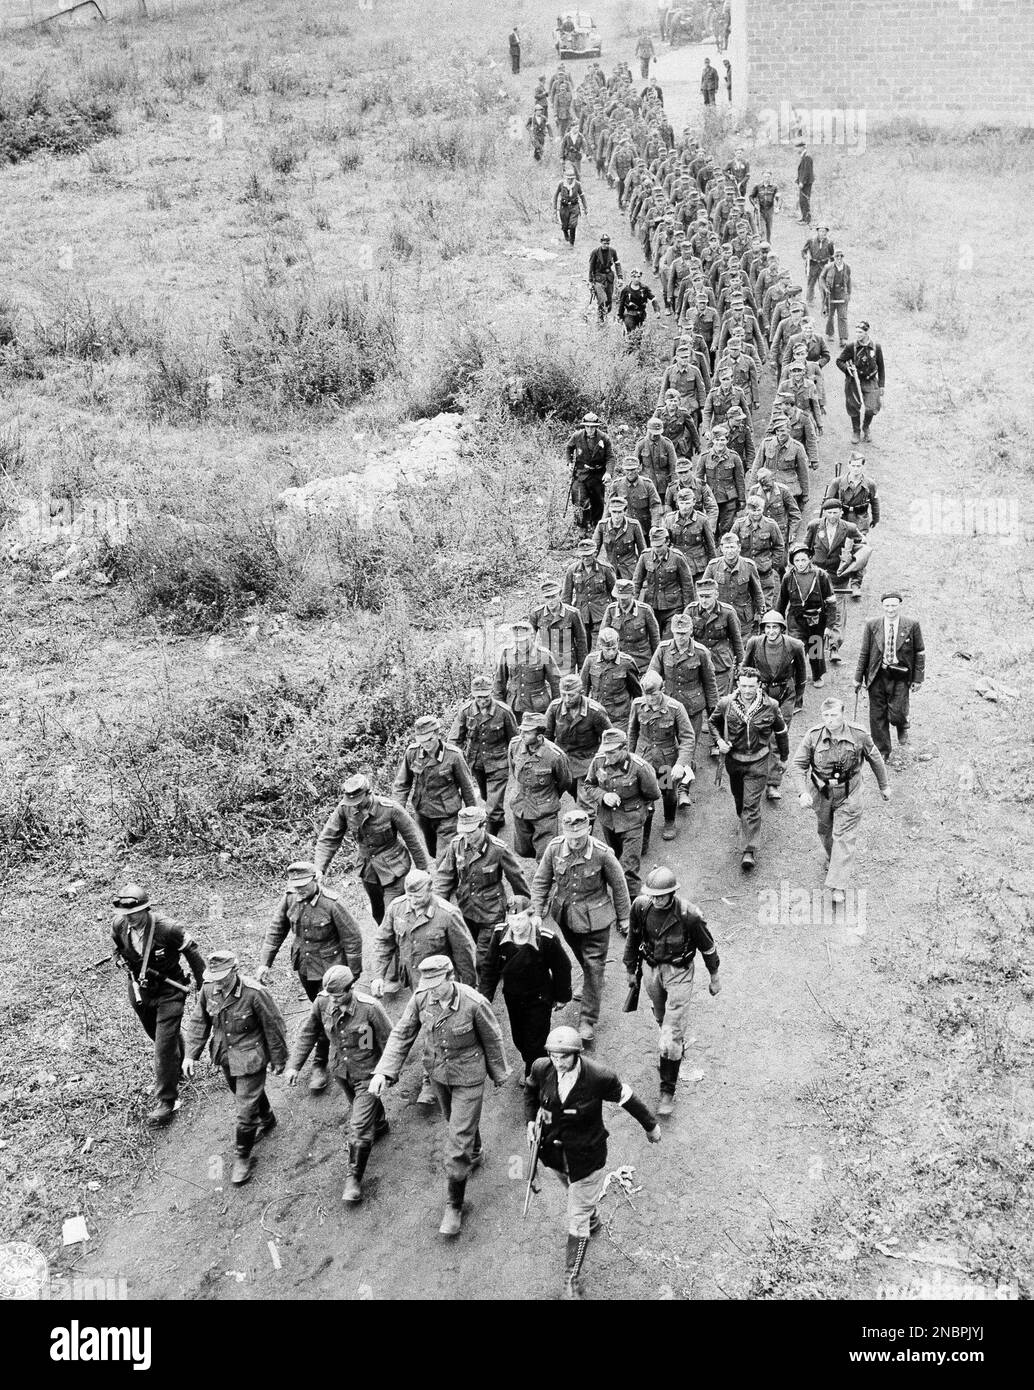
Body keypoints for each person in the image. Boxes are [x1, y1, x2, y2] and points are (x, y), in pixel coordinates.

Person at [370, 956, 509, 1236]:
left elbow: (493, 1039)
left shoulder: (473, 1002)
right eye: (428, 985)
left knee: (457, 1142)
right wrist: (383, 1072)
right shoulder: (422, 999)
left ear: (451, 976)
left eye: (437, 984)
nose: (433, 990)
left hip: (469, 1076)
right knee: (454, 1122)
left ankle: (454, 1205)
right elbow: (402, 1033)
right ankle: (477, 1149)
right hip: (438, 1075)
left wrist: (499, 1074)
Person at [525, 1025, 660, 1299]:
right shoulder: (542, 1068)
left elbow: (627, 1099)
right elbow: (529, 1091)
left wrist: (650, 1125)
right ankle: (593, 1215)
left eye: (564, 1056)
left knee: (576, 1221)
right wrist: (529, 1120)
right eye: (553, 1055)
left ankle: (570, 1281)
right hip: (553, 1154)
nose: (558, 1062)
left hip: (588, 1158)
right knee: (572, 1193)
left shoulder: (599, 1077)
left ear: (575, 1054)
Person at [285, 966, 392, 1204]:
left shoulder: (370, 1009)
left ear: (351, 989)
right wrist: (294, 1065)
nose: (333, 1000)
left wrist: (385, 1074)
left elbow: (390, 1042)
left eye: (338, 996)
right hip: (342, 1071)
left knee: (359, 1125)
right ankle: (381, 1123)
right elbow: (308, 1033)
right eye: (330, 995)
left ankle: (353, 1178)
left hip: (367, 1072)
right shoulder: (322, 1003)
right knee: (361, 1107)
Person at [371, 865, 477, 1104]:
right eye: (409, 895)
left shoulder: (447, 914)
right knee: (418, 1025)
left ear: (430, 890)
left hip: (442, 985)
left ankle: (430, 1080)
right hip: (414, 981)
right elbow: (383, 941)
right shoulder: (397, 908)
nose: (413, 901)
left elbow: (465, 954)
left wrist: (469, 988)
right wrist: (378, 974)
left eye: (418, 896)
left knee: (434, 1028)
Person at [183, 950, 288, 1186]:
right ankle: (267, 1118)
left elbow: (274, 1026)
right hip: (225, 1056)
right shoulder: (209, 989)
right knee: (243, 1094)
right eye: (214, 976)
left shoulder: (254, 993)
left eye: (222, 976)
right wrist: (190, 1054)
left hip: (251, 1056)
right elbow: (199, 1020)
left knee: (244, 1108)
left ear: (235, 970)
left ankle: (242, 1157)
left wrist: (279, 1059)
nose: (218, 981)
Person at [258, 860, 363, 1093]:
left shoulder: (332, 904)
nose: (300, 891)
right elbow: (276, 929)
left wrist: (352, 975)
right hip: (305, 967)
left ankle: (326, 1060)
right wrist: (266, 962)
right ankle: (325, 1055)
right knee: (320, 1011)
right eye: (296, 887)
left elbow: (353, 938)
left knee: (330, 1010)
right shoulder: (289, 899)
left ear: (316, 880)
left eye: (304, 886)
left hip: (331, 968)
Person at [624, 867, 720, 1115]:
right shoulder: (641, 907)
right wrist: (629, 969)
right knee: (660, 1016)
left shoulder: (689, 915)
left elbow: (708, 948)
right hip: (651, 970)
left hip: (679, 973)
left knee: (670, 1033)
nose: (656, 900)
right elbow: (633, 938)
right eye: (653, 895)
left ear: (673, 893)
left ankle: (666, 1092)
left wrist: (714, 976)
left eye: (662, 896)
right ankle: (673, 1043)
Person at [531, 807, 631, 1044]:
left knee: (594, 964)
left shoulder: (602, 853)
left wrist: (624, 917)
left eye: (579, 837)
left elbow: (619, 885)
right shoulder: (555, 847)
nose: (575, 842)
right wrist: (536, 912)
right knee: (582, 958)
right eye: (570, 837)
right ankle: (591, 980)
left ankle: (587, 1019)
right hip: (565, 916)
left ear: (588, 829)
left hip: (597, 918)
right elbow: (541, 880)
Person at [110, 883, 204, 1127]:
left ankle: (166, 1101)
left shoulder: (167, 928)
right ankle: (180, 1065)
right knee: (158, 1035)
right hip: (140, 990)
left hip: (170, 990)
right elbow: (117, 946)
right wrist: (118, 957)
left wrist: (203, 984)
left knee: (162, 1046)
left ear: (146, 909)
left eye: (133, 913)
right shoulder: (119, 924)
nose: (129, 919)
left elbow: (192, 951)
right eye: (124, 914)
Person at [792, 697, 890, 905]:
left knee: (843, 836)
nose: (830, 719)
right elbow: (798, 765)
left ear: (843, 713)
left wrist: (884, 786)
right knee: (826, 832)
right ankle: (832, 859)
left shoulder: (859, 734)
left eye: (834, 715)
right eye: (826, 715)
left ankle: (838, 886)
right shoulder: (813, 736)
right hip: (822, 792)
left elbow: (875, 759)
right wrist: (802, 793)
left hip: (850, 792)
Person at [314, 773, 429, 928]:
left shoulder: (390, 809)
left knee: (393, 914)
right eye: (352, 801)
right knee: (379, 914)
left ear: (369, 793)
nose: (355, 805)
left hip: (395, 869)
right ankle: (392, 943)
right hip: (369, 872)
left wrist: (423, 871)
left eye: (358, 801)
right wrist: (319, 868)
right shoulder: (344, 809)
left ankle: (402, 947)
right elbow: (329, 838)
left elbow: (414, 840)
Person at [479, 896, 572, 1083]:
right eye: (511, 919)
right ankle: (531, 1061)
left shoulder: (546, 939)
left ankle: (535, 1072)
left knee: (535, 1039)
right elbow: (489, 967)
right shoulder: (499, 935)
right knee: (519, 1038)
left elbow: (562, 967)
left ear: (530, 917)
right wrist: (484, 997)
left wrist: (562, 996)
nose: (515, 925)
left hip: (539, 997)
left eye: (520, 919)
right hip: (513, 996)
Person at [708, 665, 789, 870]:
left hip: (759, 762)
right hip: (734, 762)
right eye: (743, 685)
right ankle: (744, 822)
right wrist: (719, 742)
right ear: (738, 684)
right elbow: (712, 723)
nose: (747, 690)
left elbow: (781, 732)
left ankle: (749, 850)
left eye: (751, 686)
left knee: (751, 805)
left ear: (759, 685)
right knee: (739, 799)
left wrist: (784, 757)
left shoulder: (771, 705)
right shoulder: (726, 704)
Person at [435, 804, 531, 976]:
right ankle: (500, 962)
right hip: (467, 908)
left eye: (471, 831)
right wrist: (437, 905)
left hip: (492, 910)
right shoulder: (457, 845)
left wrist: (522, 911)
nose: (466, 836)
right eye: (463, 831)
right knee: (486, 946)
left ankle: (486, 986)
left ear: (483, 826)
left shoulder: (498, 849)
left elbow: (518, 881)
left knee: (482, 959)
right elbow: (444, 876)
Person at [579, 727, 660, 901]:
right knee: (614, 860)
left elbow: (653, 794)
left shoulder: (640, 767)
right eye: (605, 751)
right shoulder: (599, 761)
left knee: (628, 868)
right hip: (608, 821)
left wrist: (639, 810)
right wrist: (603, 796)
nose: (607, 756)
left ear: (625, 748)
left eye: (612, 752)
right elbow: (588, 785)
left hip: (632, 821)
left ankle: (631, 906)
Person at [392, 714, 478, 861]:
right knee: (432, 851)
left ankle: (451, 878)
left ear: (438, 734)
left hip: (448, 815)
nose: (426, 744)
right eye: (421, 740)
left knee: (444, 858)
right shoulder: (412, 753)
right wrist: (396, 812)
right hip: (423, 814)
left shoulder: (454, 756)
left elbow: (467, 788)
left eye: (429, 739)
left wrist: (474, 817)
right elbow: (402, 785)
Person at [854, 592, 925, 763]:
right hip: (878, 673)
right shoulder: (872, 625)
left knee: (897, 712)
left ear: (899, 605)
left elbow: (919, 652)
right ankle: (883, 750)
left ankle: (901, 724)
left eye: (894, 605)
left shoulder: (911, 624)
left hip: (900, 674)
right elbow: (864, 652)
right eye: (887, 606)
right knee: (877, 715)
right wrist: (857, 678)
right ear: (882, 606)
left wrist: (918, 678)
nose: (890, 609)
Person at [743, 611, 807, 799]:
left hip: (785, 694)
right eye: (768, 627)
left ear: (781, 628)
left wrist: (798, 697)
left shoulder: (795, 645)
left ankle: (772, 783)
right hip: (761, 694)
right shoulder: (754, 643)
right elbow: (745, 669)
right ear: (763, 629)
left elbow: (802, 673)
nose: (771, 631)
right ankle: (755, 774)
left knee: (778, 737)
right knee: (758, 733)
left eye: (775, 627)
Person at [449, 676, 518, 837]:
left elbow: (515, 740)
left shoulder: (504, 712)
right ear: (474, 695)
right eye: (479, 697)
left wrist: (516, 764)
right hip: (476, 762)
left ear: (491, 694)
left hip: (499, 762)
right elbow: (455, 738)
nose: (482, 700)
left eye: (486, 696)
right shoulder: (466, 712)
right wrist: (451, 760)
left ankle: (490, 836)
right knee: (487, 796)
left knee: (492, 804)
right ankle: (498, 817)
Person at [804, 497, 870, 663]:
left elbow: (863, 547)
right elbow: (806, 548)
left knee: (837, 612)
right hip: (817, 576)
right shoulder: (814, 526)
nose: (832, 516)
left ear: (841, 512)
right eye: (829, 512)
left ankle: (834, 647)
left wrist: (851, 562)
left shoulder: (849, 528)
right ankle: (815, 651)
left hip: (838, 576)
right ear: (824, 513)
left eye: (835, 512)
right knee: (815, 611)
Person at [507, 711, 573, 860]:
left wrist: (549, 795)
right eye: (522, 730)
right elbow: (513, 770)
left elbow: (565, 781)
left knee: (545, 855)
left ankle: (546, 879)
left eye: (527, 732)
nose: (522, 734)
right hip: (520, 805)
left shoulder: (555, 755)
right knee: (523, 850)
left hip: (544, 810)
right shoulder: (515, 745)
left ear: (539, 736)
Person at [776, 542, 836, 685]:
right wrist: (778, 622)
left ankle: (817, 675)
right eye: (797, 560)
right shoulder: (788, 577)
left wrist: (829, 625)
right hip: (796, 619)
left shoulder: (821, 575)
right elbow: (782, 601)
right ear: (792, 562)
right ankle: (796, 675)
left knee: (815, 649)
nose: (800, 563)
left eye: (803, 560)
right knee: (796, 647)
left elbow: (831, 602)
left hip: (816, 619)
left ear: (809, 559)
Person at [544, 673, 611, 798]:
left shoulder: (595, 711)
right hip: (562, 761)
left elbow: (609, 739)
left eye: (571, 695)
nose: (567, 699)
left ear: (581, 692)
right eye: (563, 695)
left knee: (586, 802)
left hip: (586, 762)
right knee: (548, 797)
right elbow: (546, 738)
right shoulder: (554, 708)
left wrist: (601, 764)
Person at [494, 619, 562, 719]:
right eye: (517, 641)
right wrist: (499, 706)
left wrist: (556, 708)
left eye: (524, 641)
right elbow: (499, 682)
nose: (520, 644)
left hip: (538, 708)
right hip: (514, 706)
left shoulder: (543, 654)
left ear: (531, 637)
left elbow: (556, 682)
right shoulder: (507, 653)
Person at [579, 625, 642, 727]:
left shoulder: (627, 662)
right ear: (600, 646)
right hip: (597, 714)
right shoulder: (591, 660)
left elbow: (637, 693)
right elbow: (583, 690)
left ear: (618, 644)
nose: (611, 652)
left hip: (620, 718)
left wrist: (637, 717)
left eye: (614, 648)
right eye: (607, 649)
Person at [563, 538, 617, 651]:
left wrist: (616, 615)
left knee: (600, 645)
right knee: (583, 646)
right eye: (583, 556)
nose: (585, 559)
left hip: (601, 613)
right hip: (582, 613)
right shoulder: (572, 570)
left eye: (588, 555)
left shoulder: (605, 569)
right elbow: (566, 596)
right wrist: (566, 617)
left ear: (595, 553)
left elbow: (615, 594)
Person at [566, 411, 614, 533]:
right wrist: (570, 462)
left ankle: (595, 528)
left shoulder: (604, 438)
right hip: (581, 473)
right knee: (579, 500)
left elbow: (610, 457)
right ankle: (581, 527)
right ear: (584, 426)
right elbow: (568, 447)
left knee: (597, 502)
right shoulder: (577, 436)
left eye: (593, 427)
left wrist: (608, 473)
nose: (590, 429)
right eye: (587, 426)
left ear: (597, 427)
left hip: (597, 475)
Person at [837, 321, 885, 443]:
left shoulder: (876, 346)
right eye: (856, 332)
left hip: (870, 381)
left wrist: (881, 385)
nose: (858, 334)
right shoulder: (851, 346)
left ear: (866, 332)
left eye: (861, 332)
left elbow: (881, 366)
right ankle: (856, 431)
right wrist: (847, 370)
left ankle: (866, 427)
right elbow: (839, 361)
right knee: (853, 406)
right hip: (854, 381)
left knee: (872, 407)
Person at [530, 577, 588, 675]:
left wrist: (582, 668)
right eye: (547, 597)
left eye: (553, 596)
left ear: (560, 595)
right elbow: (529, 639)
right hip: (546, 663)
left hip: (567, 662)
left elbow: (581, 641)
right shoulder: (536, 614)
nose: (550, 601)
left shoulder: (572, 613)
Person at [617, 268, 660, 339]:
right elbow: (621, 304)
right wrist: (620, 316)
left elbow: (653, 298)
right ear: (631, 278)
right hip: (629, 315)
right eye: (634, 277)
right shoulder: (626, 290)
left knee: (639, 336)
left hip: (641, 315)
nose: (636, 279)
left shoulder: (644, 289)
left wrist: (657, 310)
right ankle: (630, 348)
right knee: (632, 335)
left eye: (638, 277)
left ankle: (637, 348)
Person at [588, 232, 622, 321]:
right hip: (598, 278)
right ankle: (600, 318)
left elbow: (617, 264)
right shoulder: (595, 252)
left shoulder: (613, 251)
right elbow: (591, 266)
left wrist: (620, 277)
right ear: (601, 242)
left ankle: (605, 314)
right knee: (602, 299)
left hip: (609, 278)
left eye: (608, 243)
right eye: (604, 243)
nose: (606, 245)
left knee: (609, 301)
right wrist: (590, 280)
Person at [821, 248, 851, 346]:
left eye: (841, 256)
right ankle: (830, 333)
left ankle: (843, 338)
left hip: (842, 293)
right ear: (834, 257)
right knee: (830, 315)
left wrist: (848, 294)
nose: (839, 258)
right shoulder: (828, 267)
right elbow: (821, 278)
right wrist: (825, 288)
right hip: (831, 293)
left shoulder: (847, 267)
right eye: (837, 256)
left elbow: (849, 281)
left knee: (842, 316)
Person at [554, 167, 588, 247]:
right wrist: (555, 209)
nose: (570, 180)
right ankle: (565, 232)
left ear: (574, 178)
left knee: (573, 224)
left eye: (572, 178)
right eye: (568, 178)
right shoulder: (561, 184)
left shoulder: (577, 184)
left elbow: (582, 196)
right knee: (565, 224)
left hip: (574, 206)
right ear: (565, 178)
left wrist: (585, 207)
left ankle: (571, 243)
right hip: (564, 207)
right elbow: (555, 196)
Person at [802, 223, 834, 307]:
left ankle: (825, 301)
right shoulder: (811, 240)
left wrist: (832, 266)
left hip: (823, 265)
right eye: (820, 231)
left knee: (823, 284)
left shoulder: (830, 242)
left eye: (824, 231)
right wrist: (806, 257)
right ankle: (809, 299)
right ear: (817, 232)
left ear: (827, 232)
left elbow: (832, 255)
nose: (822, 233)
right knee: (811, 283)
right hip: (813, 264)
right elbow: (804, 251)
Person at [749, 171, 780, 243]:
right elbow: (751, 196)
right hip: (761, 209)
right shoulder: (758, 186)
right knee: (762, 228)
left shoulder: (774, 187)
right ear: (762, 177)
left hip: (770, 209)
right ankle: (763, 242)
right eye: (765, 177)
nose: (767, 178)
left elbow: (779, 198)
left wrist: (778, 207)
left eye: (768, 177)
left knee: (769, 227)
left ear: (771, 177)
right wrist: (755, 205)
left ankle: (768, 242)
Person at [795, 139, 813, 224]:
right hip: (803, 182)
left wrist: (802, 182)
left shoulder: (807, 157)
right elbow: (802, 170)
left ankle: (807, 220)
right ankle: (803, 218)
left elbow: (806, 171)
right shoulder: (804, 156)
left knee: (805, 200)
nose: (797, 149)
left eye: (798, 147)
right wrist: (798, 179)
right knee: (802, 200)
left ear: (803, 147)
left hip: (806, 183)